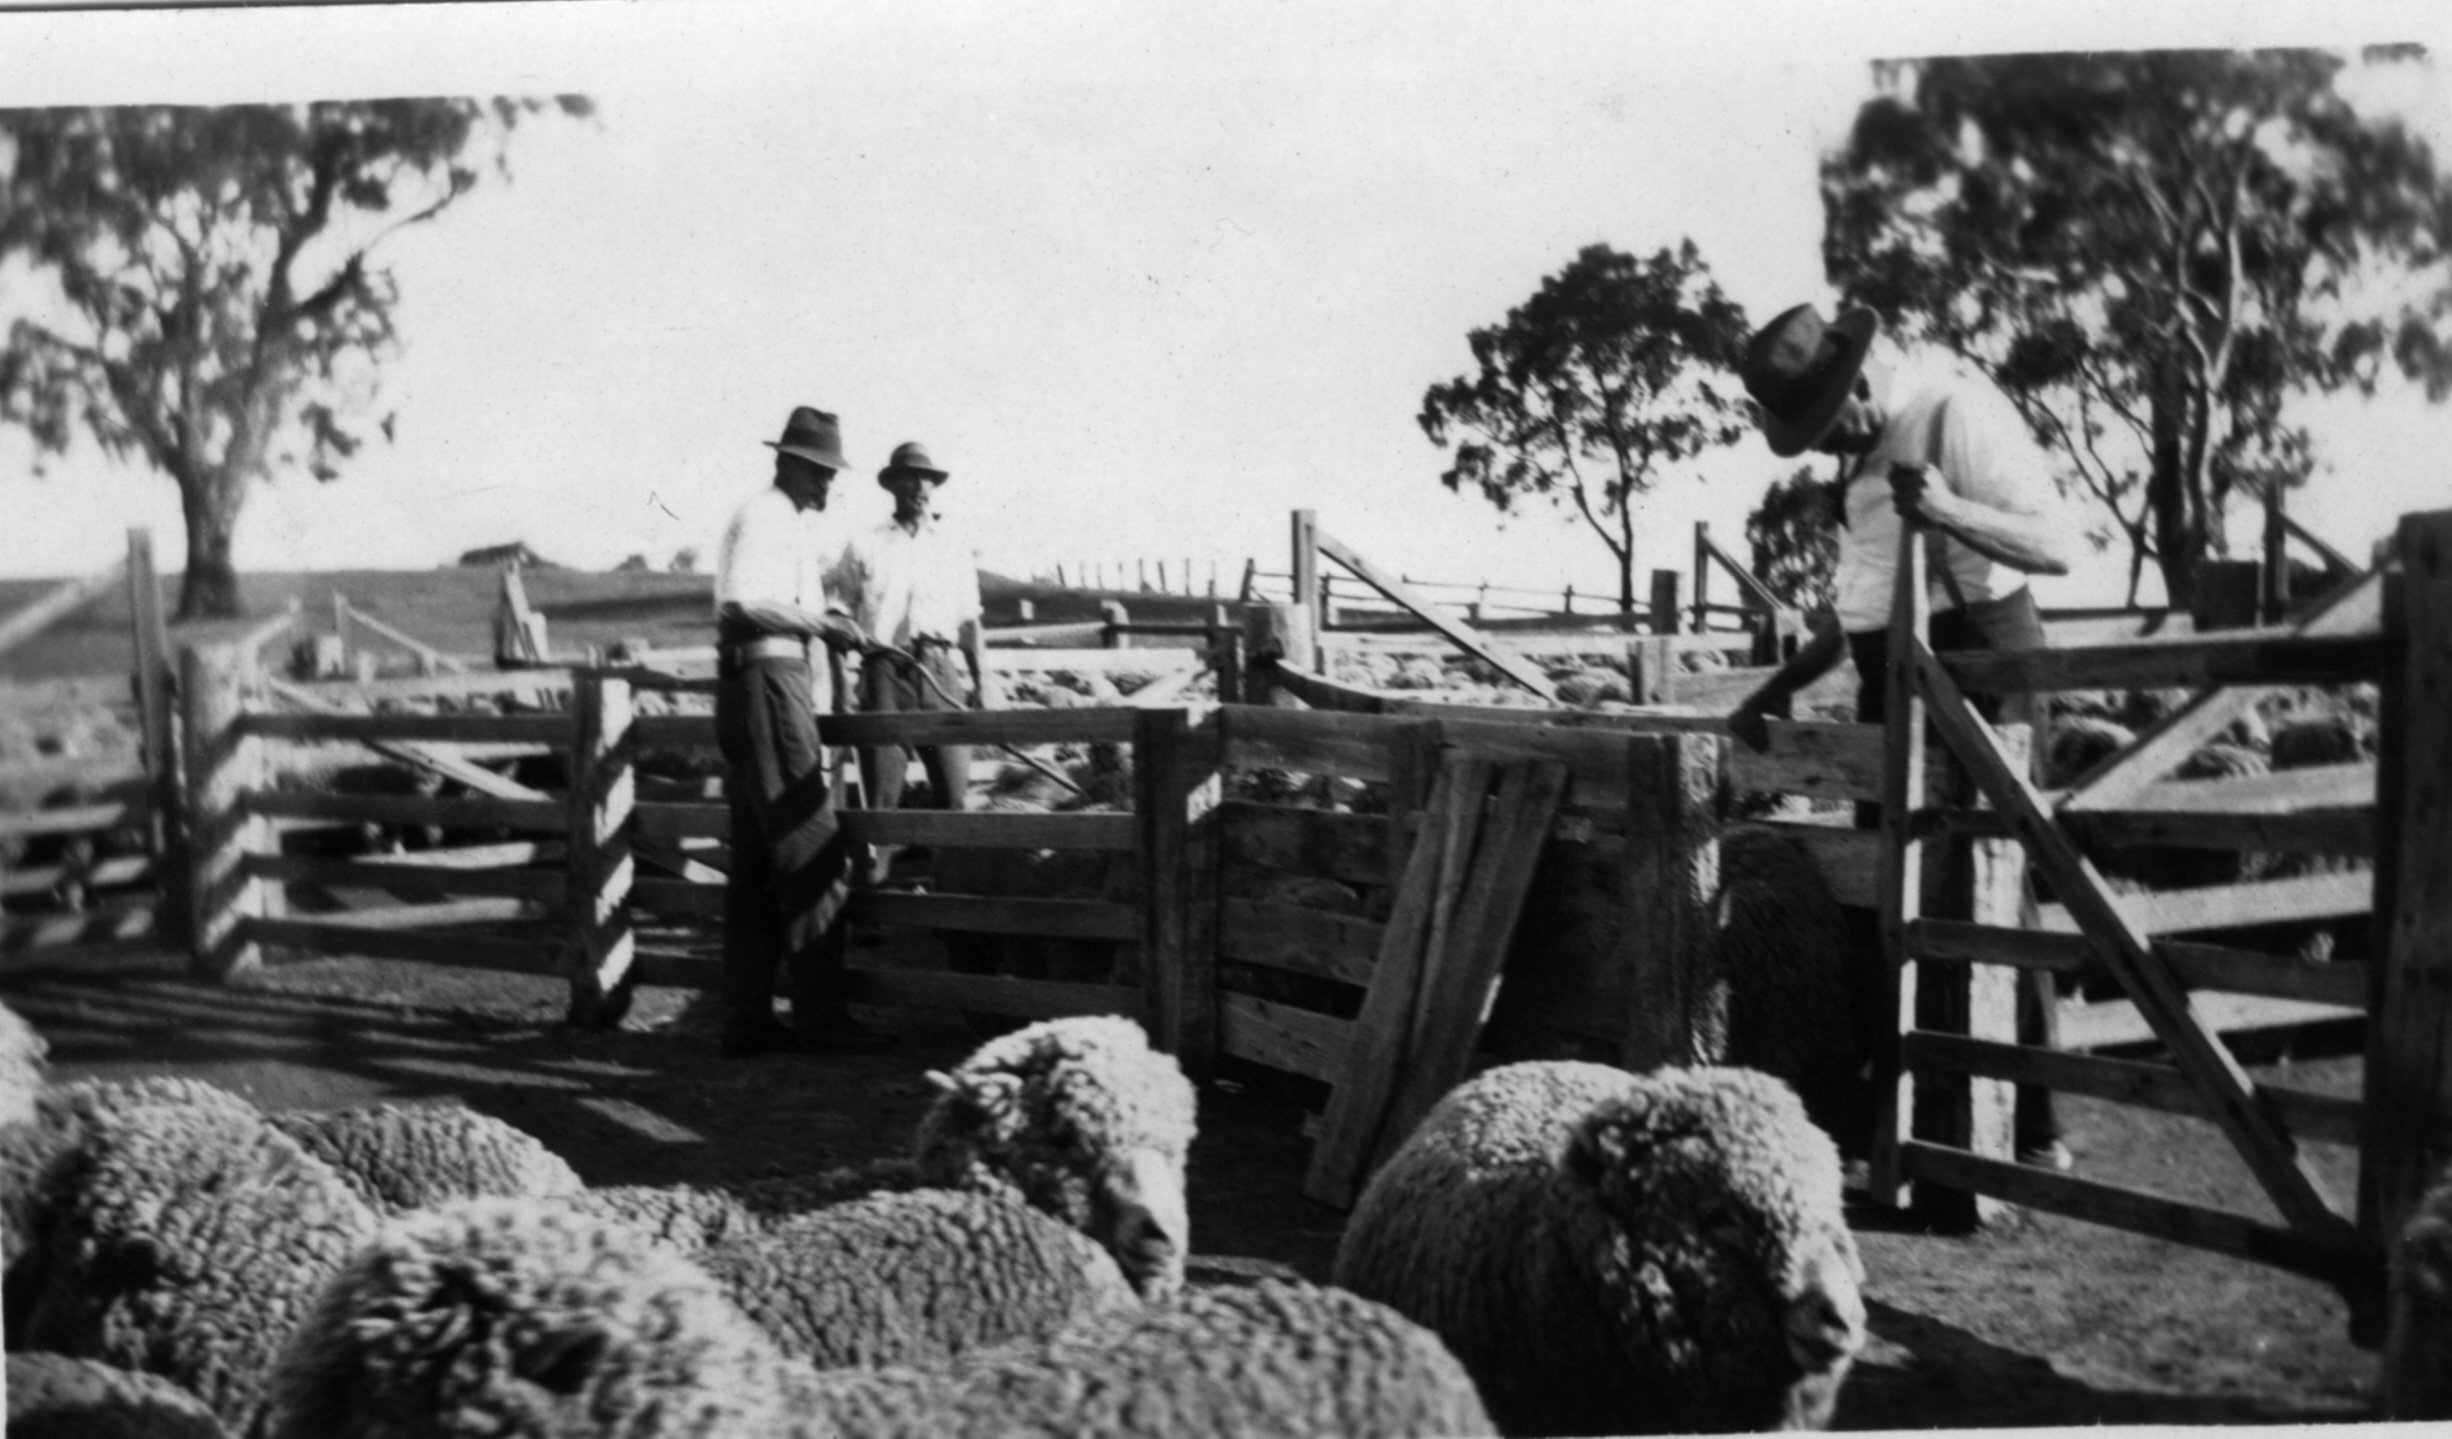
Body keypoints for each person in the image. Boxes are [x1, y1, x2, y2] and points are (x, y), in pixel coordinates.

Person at [1726, 304, 2082, 1171]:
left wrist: (1953, 511)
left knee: (1988, 883)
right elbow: (1857, 610)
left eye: (1830, 420)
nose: (1826, 442)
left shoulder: (1955, 411)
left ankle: (2035, 1124)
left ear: (1858, 376)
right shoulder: (1853, 466)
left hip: (1977, 655)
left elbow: (2058, 546)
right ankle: (1907, 1113)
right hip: (1889, 674)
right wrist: (1776, 687)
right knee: (1881, 883)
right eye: (1811, 433)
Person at [711, 406, 892, 1057]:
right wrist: (824, 626)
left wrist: (827, 623)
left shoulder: (778, 520)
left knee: (759, 863)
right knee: (815, 848)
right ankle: (820, 1016)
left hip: (757, 686)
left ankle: (746, 1020)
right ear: (785, 462)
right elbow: (741, 603)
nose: (826, 482)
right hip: (768, 685)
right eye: (817, 470)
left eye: (830, 472)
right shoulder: (768, 515)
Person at [832, 441, 999, 886]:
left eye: (928, 479)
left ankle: (951, 909)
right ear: (893, 485)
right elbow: (839, 617)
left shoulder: (953, 546)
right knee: (880, 805)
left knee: (953, 800)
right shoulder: (865, 543)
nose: (920, 487)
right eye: (910, 478)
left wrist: (983, 681)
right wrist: (842, 686)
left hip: (940, 672)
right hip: (884, 673)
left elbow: (970, 622)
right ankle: (875, 906)